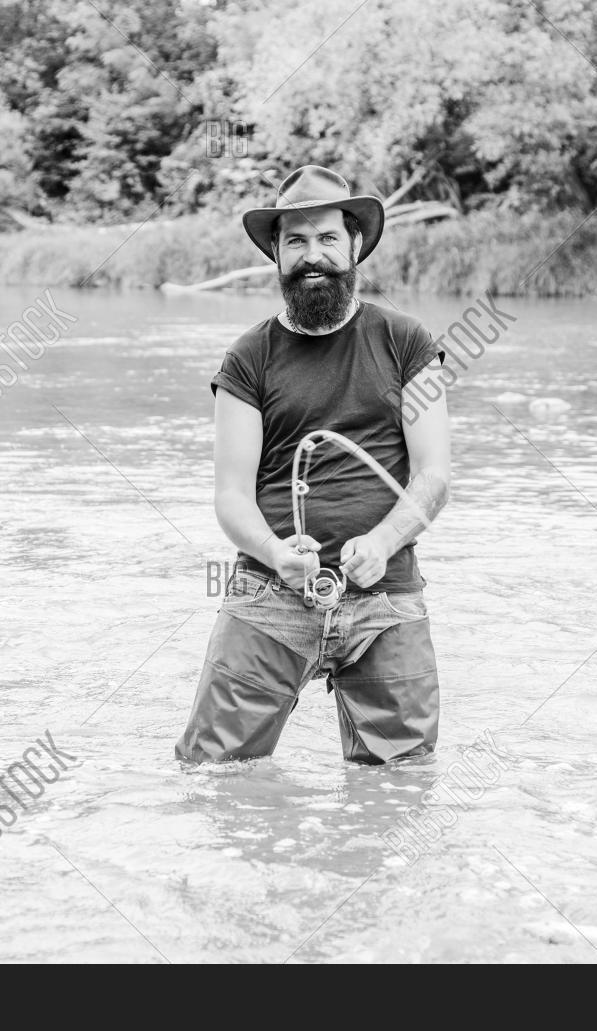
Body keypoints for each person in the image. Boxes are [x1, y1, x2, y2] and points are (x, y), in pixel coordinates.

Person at [175, 165, 451, 764]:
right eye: (295, 241)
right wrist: (275, 554)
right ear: (275, 253)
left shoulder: (407, 342)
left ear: (355, 244)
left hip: (386, 597)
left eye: (327, 238)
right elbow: (230, 495)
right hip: (269, 592)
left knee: (401, 785)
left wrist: (381, 543)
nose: (312, 255)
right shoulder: (248, 357)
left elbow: (433, 476)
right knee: (213, 776)